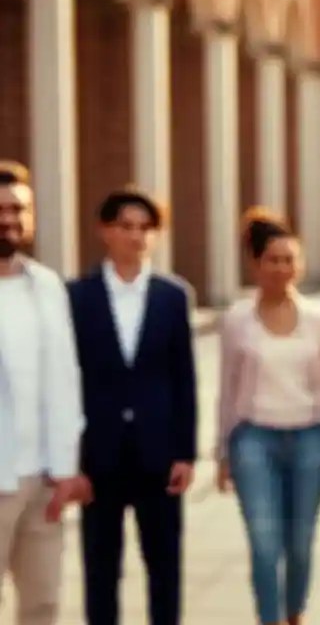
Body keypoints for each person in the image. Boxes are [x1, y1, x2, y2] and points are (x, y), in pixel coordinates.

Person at [217, 208, 320, 625]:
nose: (281, 268)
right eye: (273, 259)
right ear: (256, 264)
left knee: (299, 543)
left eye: (289, 259)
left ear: (301, 264)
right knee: (263, 544)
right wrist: (222, 449)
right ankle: (269, 618)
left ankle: (295, 613)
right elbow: (226, 389)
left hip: (311, 439)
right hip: (253, 440)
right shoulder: (237, 320)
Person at [67, 189, 197, 625]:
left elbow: (184, 378)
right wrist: (72, 458)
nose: (136, 236)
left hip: (158, 453)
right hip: (98, 455)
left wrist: (185, 452)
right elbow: (70, 379)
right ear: (105, 231)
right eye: (126, 226)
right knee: (100, 569)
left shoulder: (173, 296)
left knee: (165, 568)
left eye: (146, 228)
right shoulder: (77, 297)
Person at [0, 161, 85, 625]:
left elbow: (64, 379)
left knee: (43, 606)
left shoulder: (48, 286)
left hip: (43, 481)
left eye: (19, 209)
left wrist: (67, 468)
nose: (9, 219)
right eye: (0, 209)